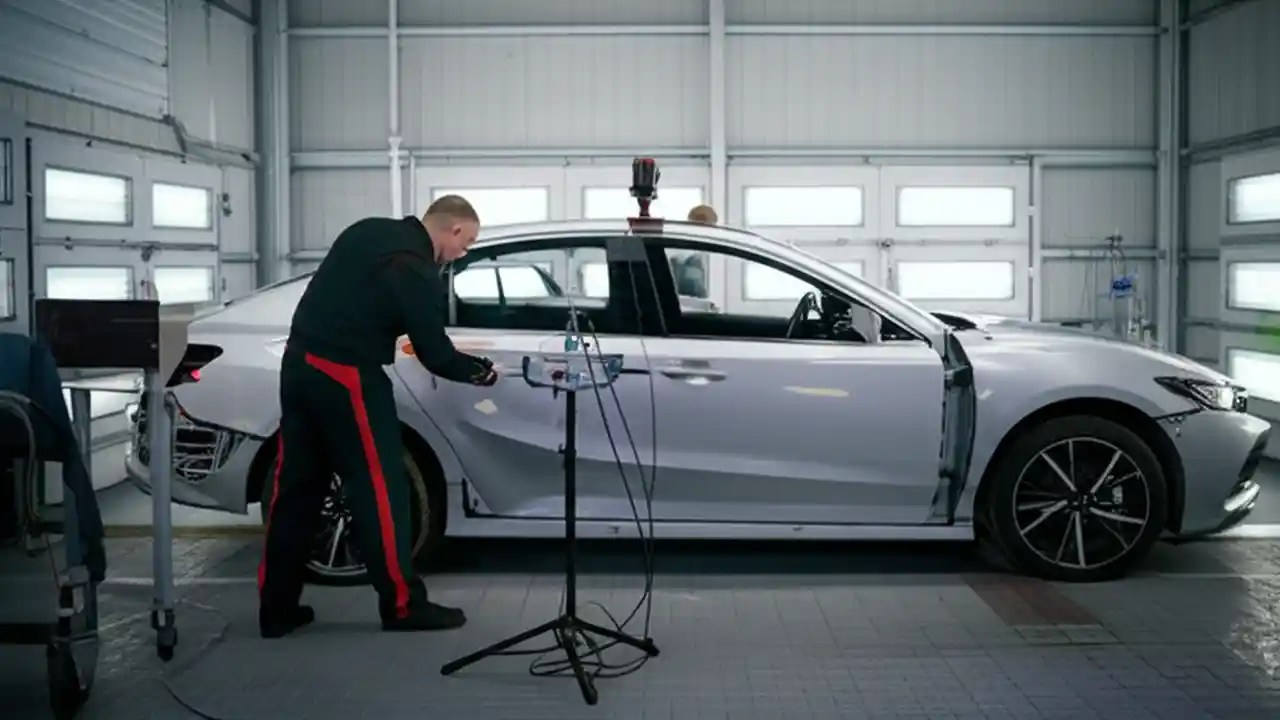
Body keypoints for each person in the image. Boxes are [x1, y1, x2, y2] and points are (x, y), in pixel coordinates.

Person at [257, 195, 499, 639]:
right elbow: (435, 354)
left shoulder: (367, 230)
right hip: (347, 376)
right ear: (454, 230)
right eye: (465, 245)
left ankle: (276, 608)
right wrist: (480, 372)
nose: (460, 255)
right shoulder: (414, 268)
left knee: (296, 490)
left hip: (299, 365)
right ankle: (403, 606)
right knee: (381, 490)